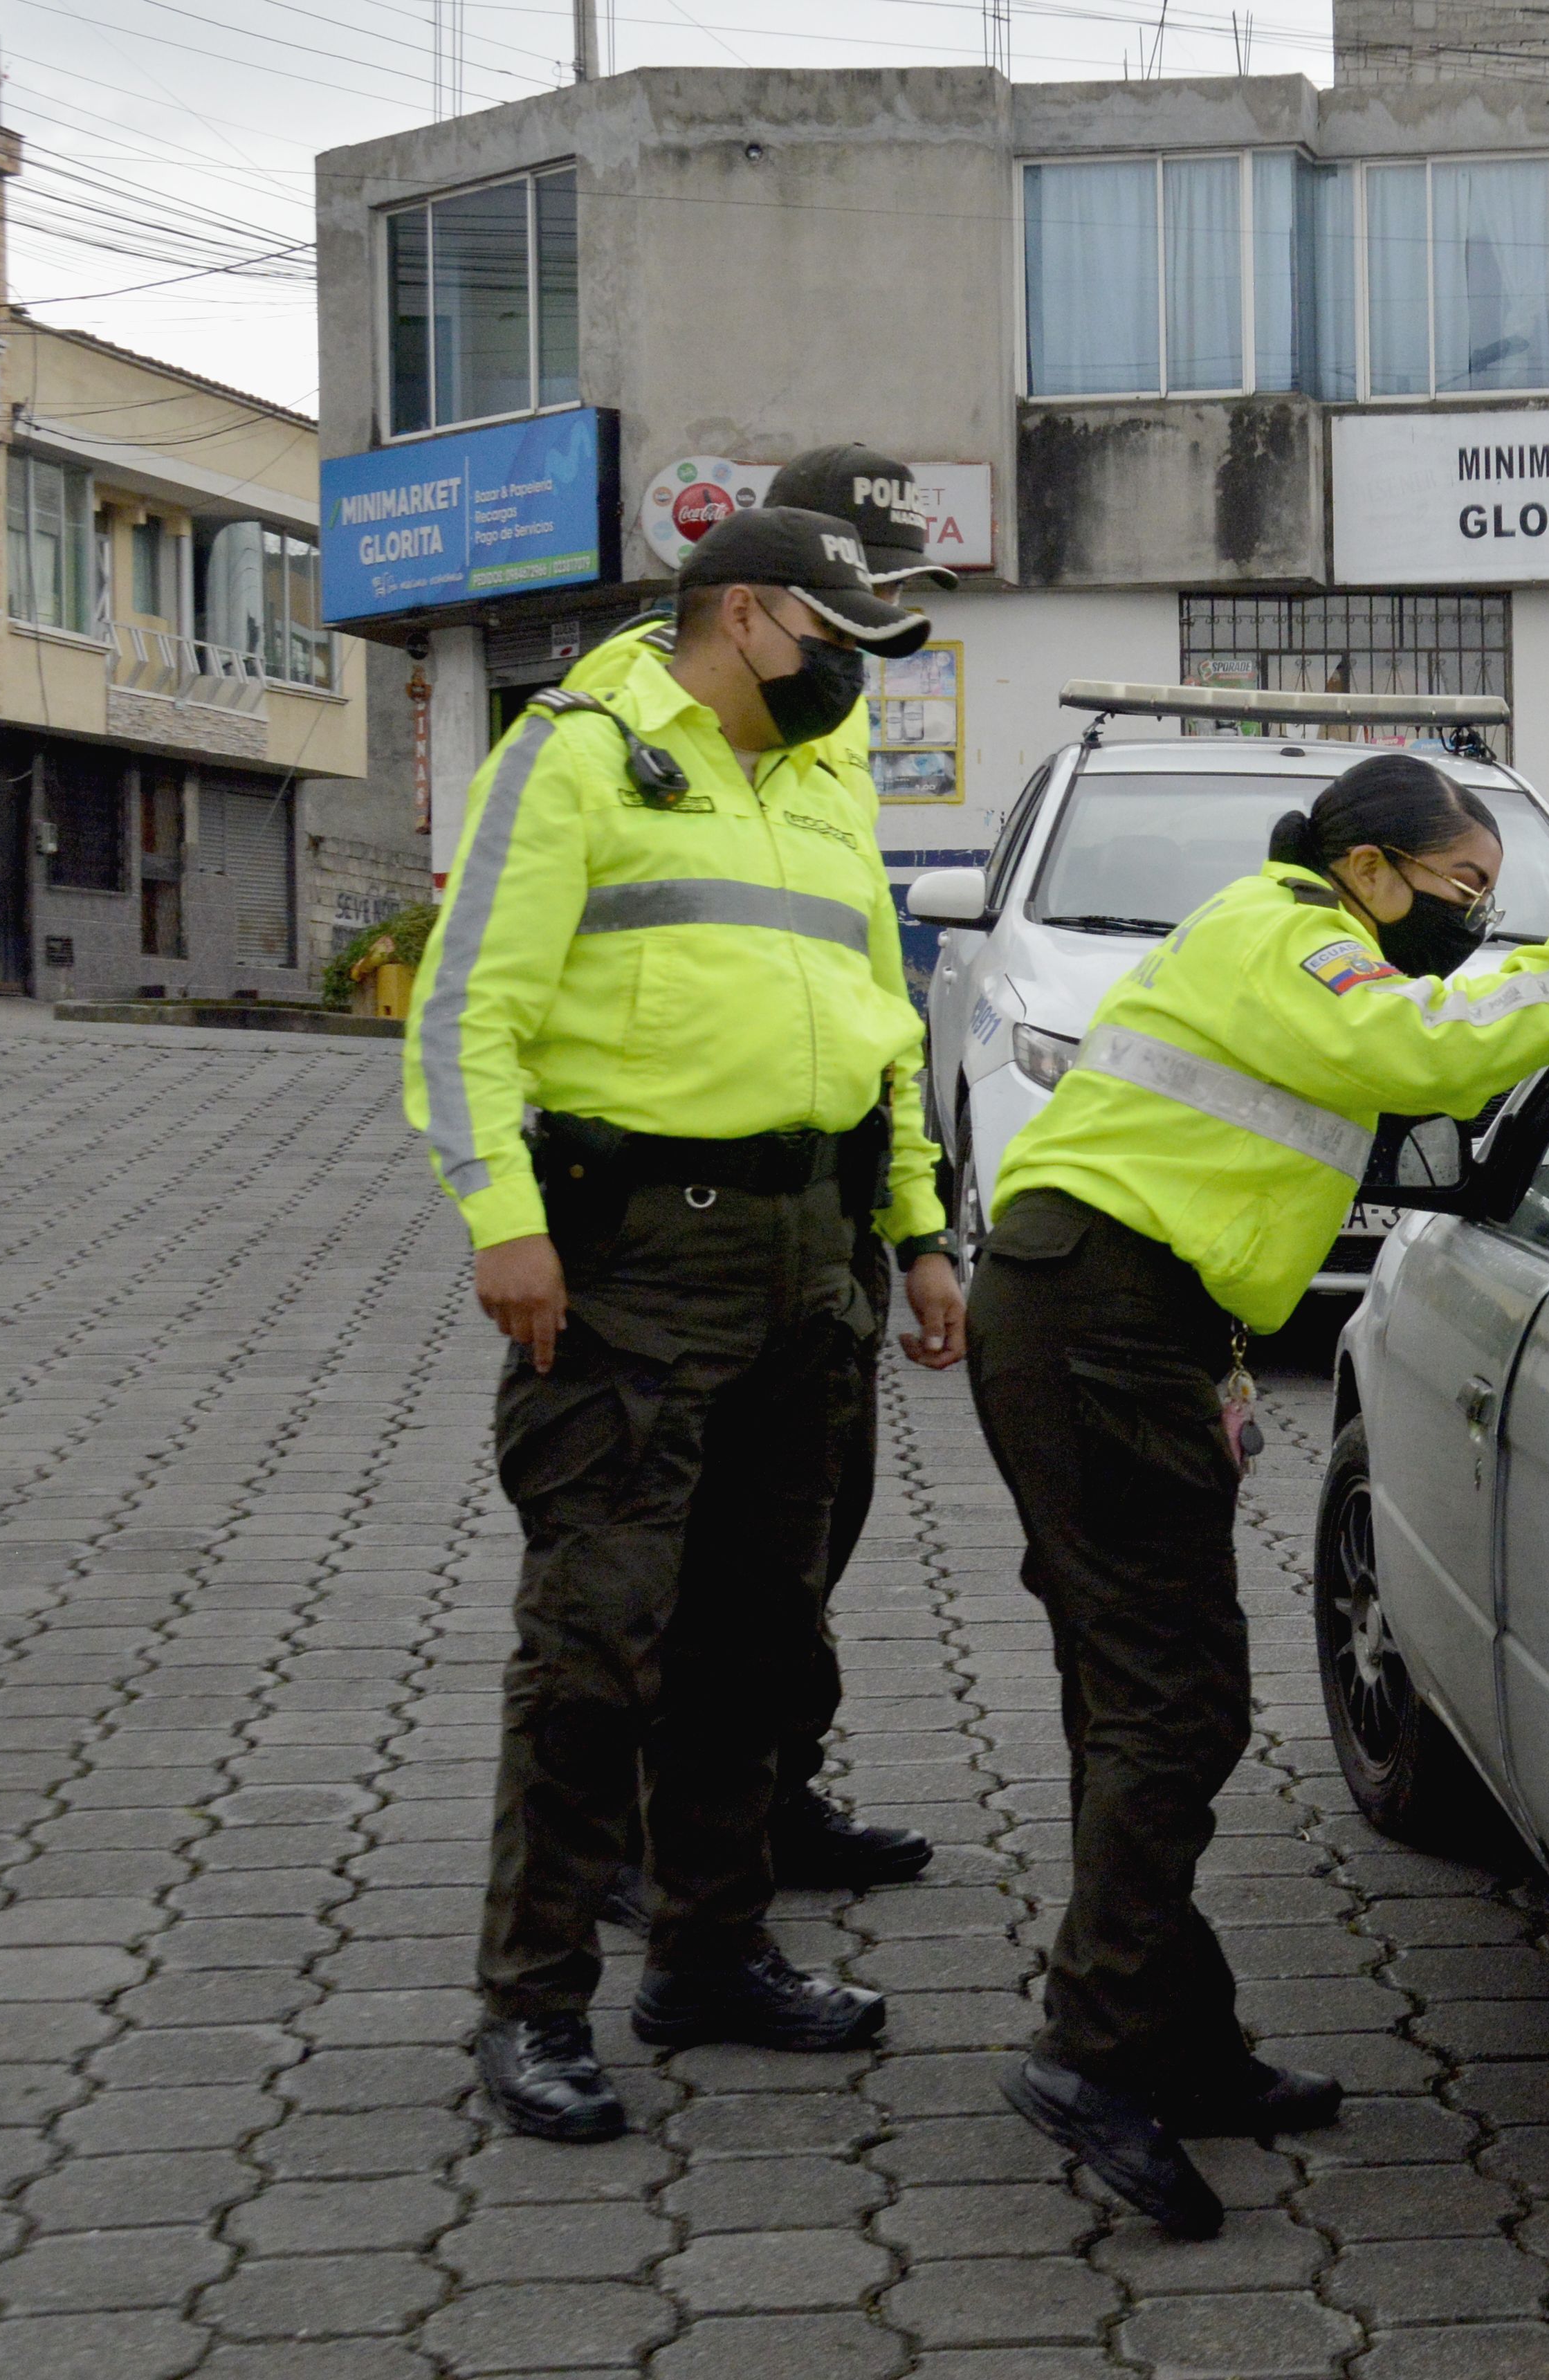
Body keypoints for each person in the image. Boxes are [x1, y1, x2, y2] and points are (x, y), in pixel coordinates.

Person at [971, 754, 1549, 2237]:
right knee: (1170, 1701)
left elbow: (1253, 1147)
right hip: (1093, 1320)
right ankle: (1091, 2050)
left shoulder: (1285, 932)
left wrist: (1223, 1362)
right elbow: (1420, 1054)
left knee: (1141, 1691)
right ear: (1368, 867)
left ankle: (1174, 2037)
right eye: (1457, 892)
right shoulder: (1294, 930)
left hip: (1123, 1319)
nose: (1470, 921)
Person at [403, 505, 972, 2143]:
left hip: (809, 1253)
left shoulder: (818, 782)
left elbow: (882, 1027)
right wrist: (500, 1220)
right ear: (739, 613)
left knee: (755, 1637)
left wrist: (916, 1230)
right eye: (829, 649)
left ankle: (712, 1952)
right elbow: (465, 1013)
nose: (848, 687)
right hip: (634, 1254)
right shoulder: (577, 755)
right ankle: (533, 2002)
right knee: (594, 1648)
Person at [560, 443, 956, 1908]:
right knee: (644, 1564)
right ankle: (613, 1831)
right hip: (664, 1222)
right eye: (864, 595)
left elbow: (865, 986)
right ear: (762, 595)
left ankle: (763, 1798)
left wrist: (913, 1221)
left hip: (823, 1199)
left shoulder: (821, 729)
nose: (877, 632)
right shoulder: (625, 707)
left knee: (797, 1541)